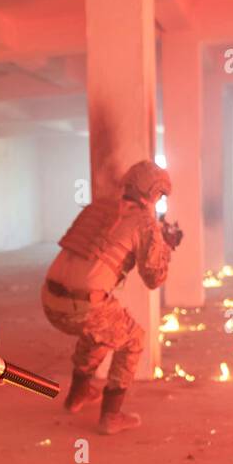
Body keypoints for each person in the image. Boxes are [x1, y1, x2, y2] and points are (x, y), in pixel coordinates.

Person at [41, 159, 176, 435]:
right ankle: (111, 416)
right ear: (151, 193)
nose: (159, 201)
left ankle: (78, 394)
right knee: (134, 338)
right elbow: (154, 279)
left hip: (50, 300)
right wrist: (166, 248)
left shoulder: (98, 206)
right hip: (82, 306)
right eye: (160, 195)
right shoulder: (145, 224)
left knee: (104, 329)